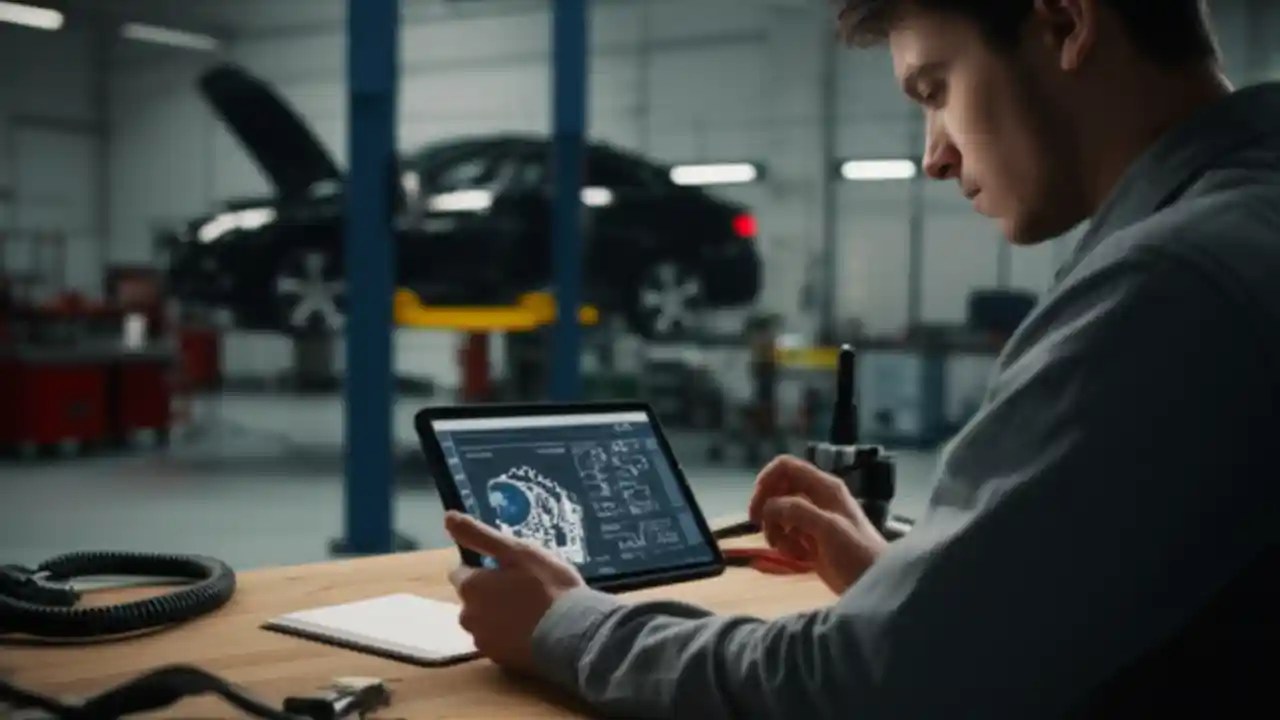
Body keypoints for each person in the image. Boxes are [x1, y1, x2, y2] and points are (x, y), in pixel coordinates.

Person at [444, 0, 1280, 716]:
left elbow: (862, 693)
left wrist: (567, 625)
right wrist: (925, 586)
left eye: (935, 89)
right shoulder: (1247, 222)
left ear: (1064, 19)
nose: (935, 154)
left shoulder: (1168, 286)